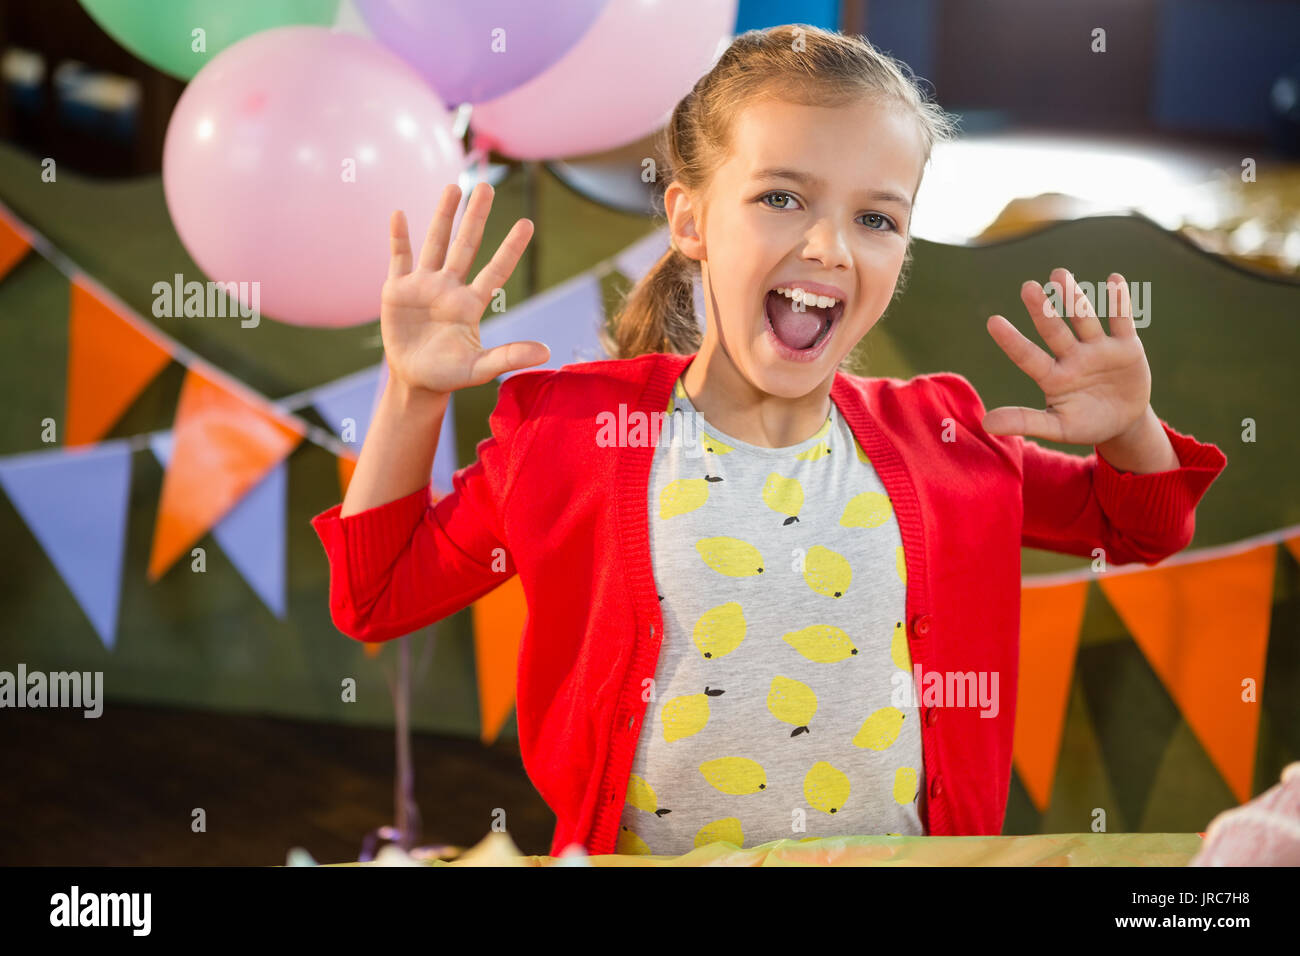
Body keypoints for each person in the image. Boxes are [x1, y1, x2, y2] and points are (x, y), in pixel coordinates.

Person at [311, 24, 1228, 858]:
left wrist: (1131, 431)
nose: (830, 246)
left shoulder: (945, 437)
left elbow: (1139, 525)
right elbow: (377, 594)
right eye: (783, 197)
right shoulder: (575, 432)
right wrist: (411, 391)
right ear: (689, 220)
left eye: (876, 217)